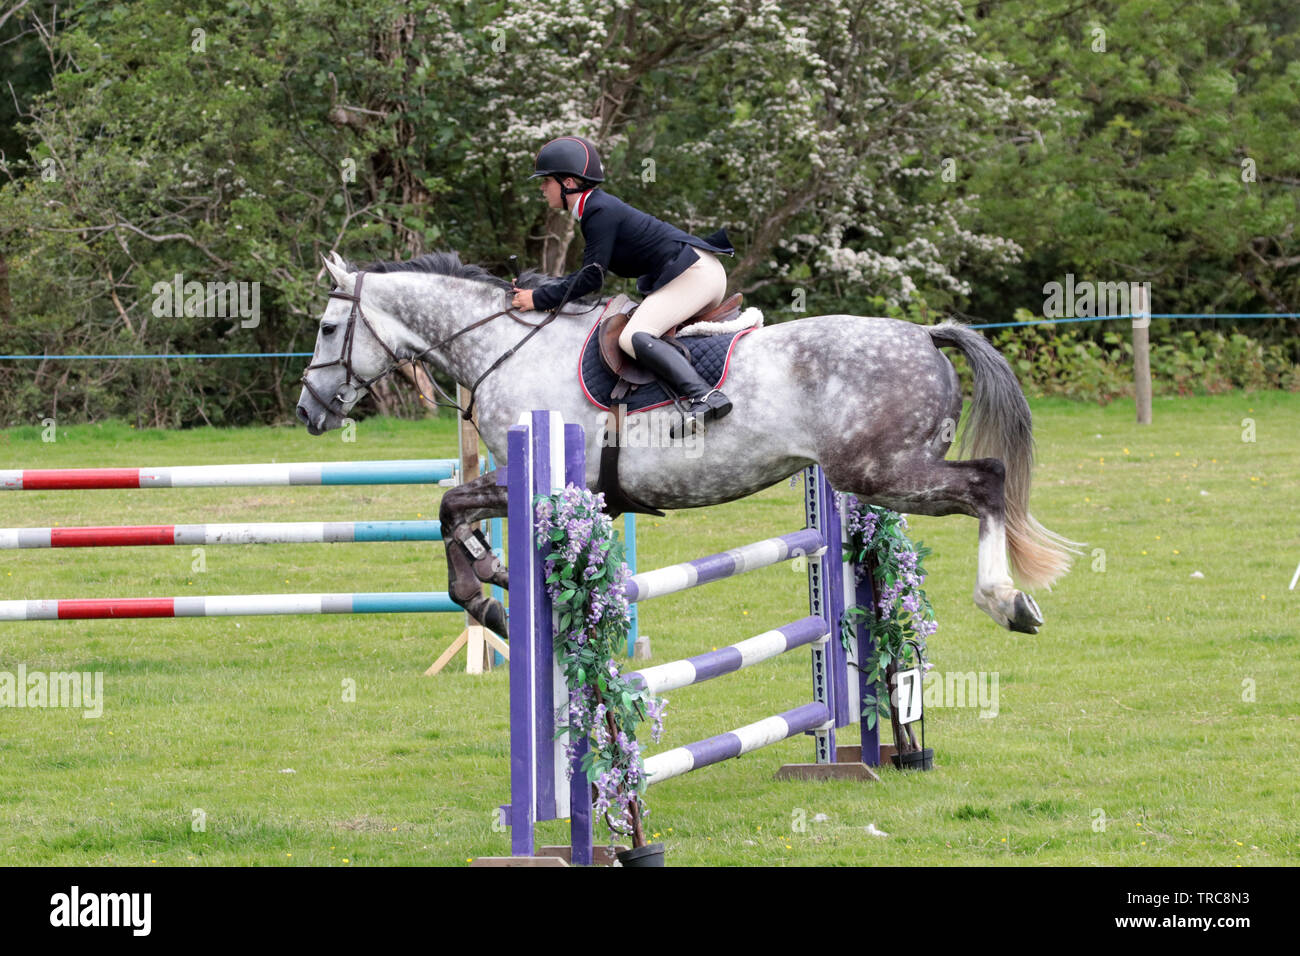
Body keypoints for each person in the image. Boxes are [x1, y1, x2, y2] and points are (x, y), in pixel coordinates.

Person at [510, 135, 735, 435]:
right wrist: (539, 290)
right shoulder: (597, 210)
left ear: (568, 182)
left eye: (546, 181)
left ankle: (705, 396)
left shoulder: (598, 211)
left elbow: (592, 277)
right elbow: (588, 272)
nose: (541, 188)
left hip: (696, 274)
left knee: (633, 336)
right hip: (699, 271)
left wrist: (539, 298)